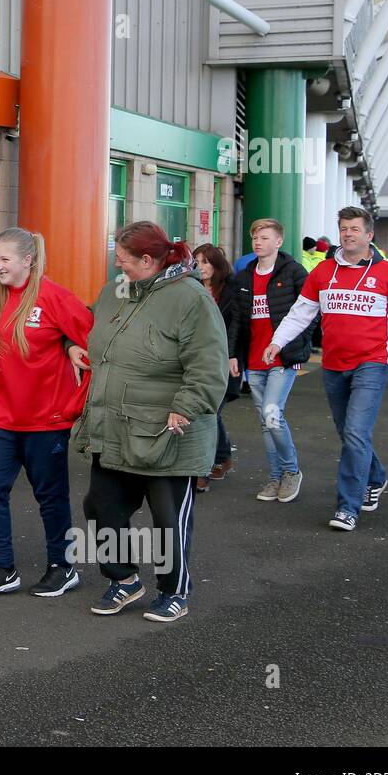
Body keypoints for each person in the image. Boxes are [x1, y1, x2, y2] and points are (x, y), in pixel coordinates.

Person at [72, 222, 227, 623]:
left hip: (166, 430)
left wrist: (186, 407)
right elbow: (95, 332)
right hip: (114, 425)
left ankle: (174, 590)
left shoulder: (191, 298)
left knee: (167, 519)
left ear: (148, 259)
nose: (117, 264)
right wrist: (74, 346)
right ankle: (123, 579)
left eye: (123, 259)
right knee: (101, 506)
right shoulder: (115, 292)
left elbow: (209, 368)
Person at [263, 207, 388, 532]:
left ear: (369, 235)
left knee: (355, 432)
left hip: (373, 363)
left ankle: (348, 506)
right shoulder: (323, 271)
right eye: (343, 228)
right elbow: (300, 313)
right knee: (349, 432)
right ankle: (375, 476)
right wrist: (277, 342)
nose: (348, 234)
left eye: (354, 229)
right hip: (334, 365)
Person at [0, 228, 92, 599]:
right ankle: (2, 568)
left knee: (50, 496)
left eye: (5, 259)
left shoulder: (55, 298)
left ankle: (62, 567)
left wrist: (73, 404)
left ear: (27, 260)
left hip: (45, 421)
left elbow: (95, 346)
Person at [228, 219, 310, 504]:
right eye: (255, 238)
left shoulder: (294, 273)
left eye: (264, 237)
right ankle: (276, 478)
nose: (258, 242)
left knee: (273, 416)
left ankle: (291, 471)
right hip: (253, 360)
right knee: (266, 421)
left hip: (282, 359)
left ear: (278, 242)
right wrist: (233, 354)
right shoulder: (244, 276)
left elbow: (311, 312)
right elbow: (237, 320)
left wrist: (296, 347)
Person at [192, 243, 240, 495]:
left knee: (208, 414)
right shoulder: (191, 289)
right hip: (196, 360)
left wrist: (232, 355)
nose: (201, 267)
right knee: (210, 413)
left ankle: (202, 469)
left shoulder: (230, 291)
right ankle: (223, 456)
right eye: (197, 261)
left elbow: (235, 327)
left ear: (216, 265)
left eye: (206, 262)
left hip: (222, 361)